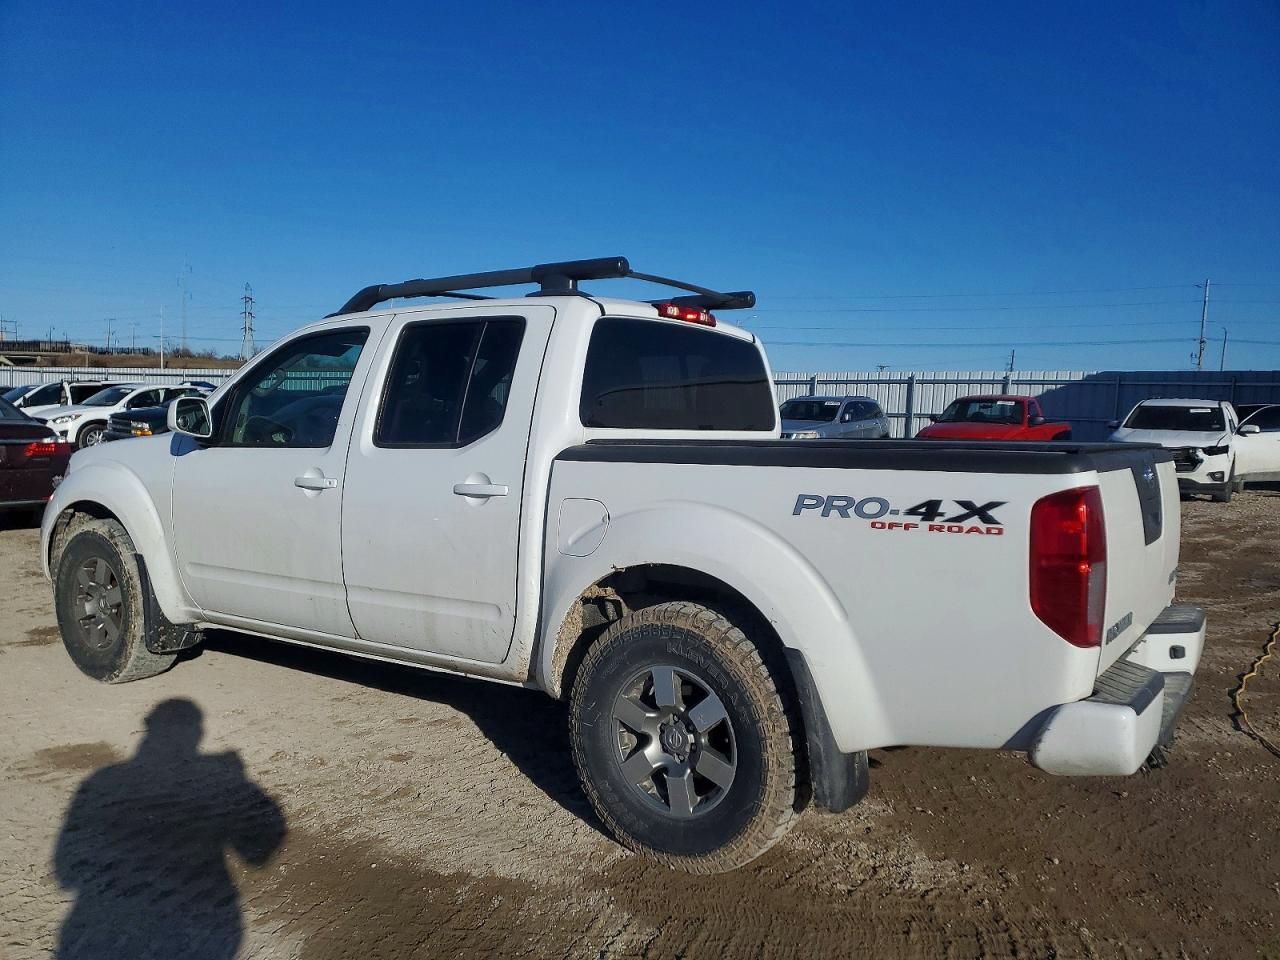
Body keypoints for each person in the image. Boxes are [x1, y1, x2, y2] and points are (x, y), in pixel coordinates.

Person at [54, 699, 285, 960]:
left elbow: (65, 873)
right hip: (200, 923)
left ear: (148, 726)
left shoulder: (102, 780)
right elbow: (258, 853)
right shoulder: (217, 778)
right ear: (198, 733)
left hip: (109, 927)